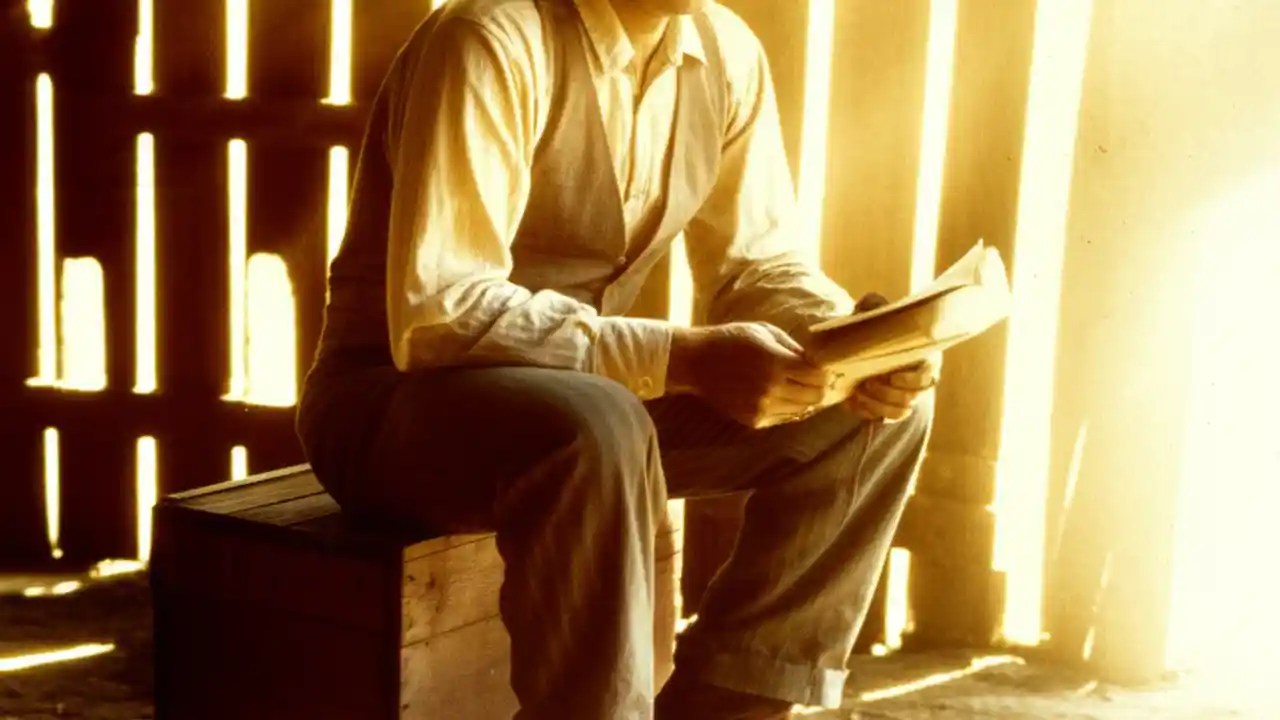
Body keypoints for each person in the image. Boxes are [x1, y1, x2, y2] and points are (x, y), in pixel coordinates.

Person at [297, 0, 938, 717]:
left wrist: (847, 343)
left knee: (867, 416)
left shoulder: (724, 52)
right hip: (395, 407)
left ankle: (726, 709)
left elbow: (757, 267)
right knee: (601, 422)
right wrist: (685, 358)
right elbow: (440, 313)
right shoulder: (491, 37)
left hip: (589, 416)